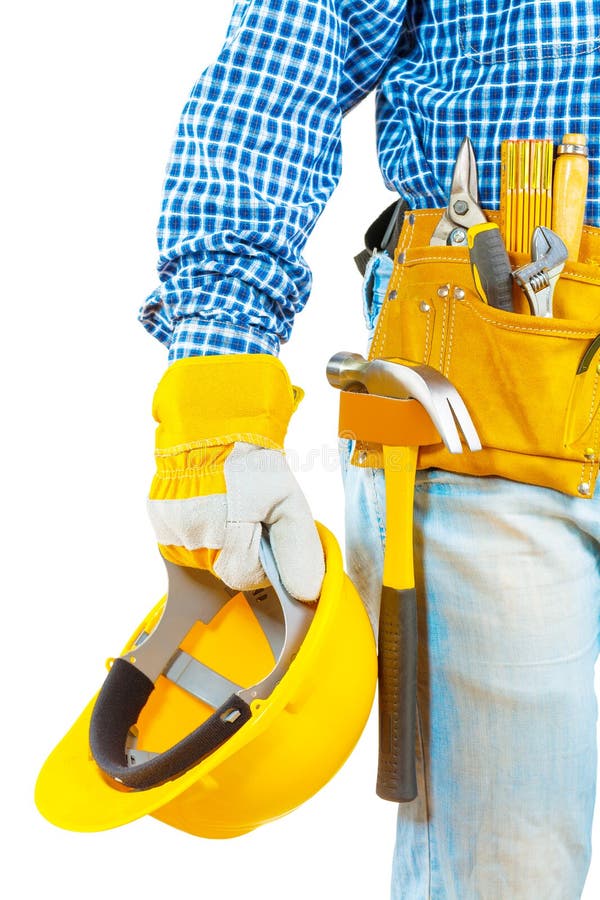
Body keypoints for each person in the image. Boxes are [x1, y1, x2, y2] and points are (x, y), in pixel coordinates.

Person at [138, 2, 600, 897]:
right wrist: (218, 392)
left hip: (496, 369)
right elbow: (280, 76)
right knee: (505, 873)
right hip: (481, 395)